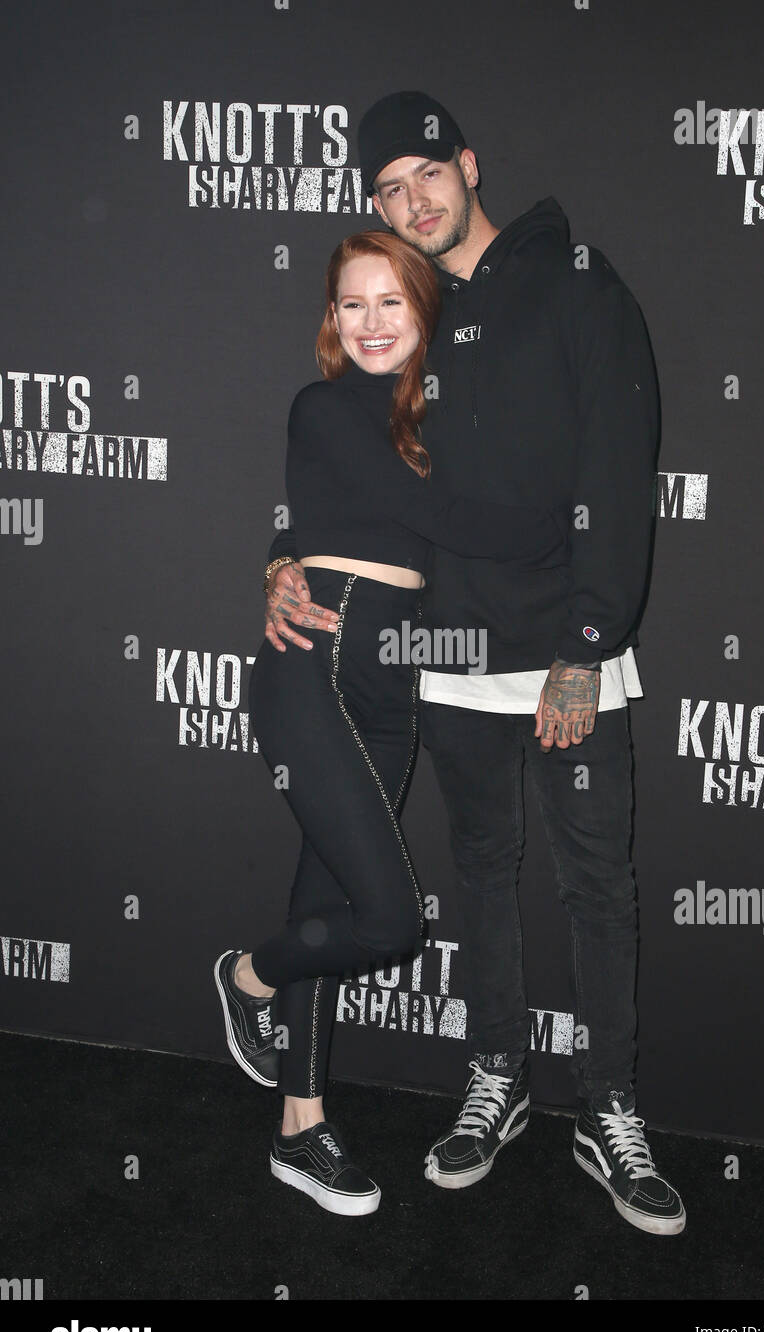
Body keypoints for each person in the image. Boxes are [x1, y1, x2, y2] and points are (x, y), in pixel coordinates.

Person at [263, 92, 686, 1236]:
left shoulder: (580, 286)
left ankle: (611, 1111)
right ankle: (491, 1080)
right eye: (389, 191)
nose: (413, 202)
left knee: (597, 885)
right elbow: (343, 458)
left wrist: (584, 647)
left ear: (467, 164)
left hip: (566, 653)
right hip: (443, 655)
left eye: (426, 175)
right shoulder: (415, 313)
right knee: (483, 878)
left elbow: (618, 464)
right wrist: (278, 558)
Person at [214, 229, 565, 1216]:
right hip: (316, 655)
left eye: (390, 302)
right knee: (389, 917)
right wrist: (554, 517)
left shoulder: (444, 421)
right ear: (329, 319)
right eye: (349, 304)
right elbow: (434, 514)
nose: (368, 323)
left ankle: (299, 1129)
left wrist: (279, 549)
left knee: (325, 894)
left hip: (393, 677)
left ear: (424, 311)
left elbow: (413, 512)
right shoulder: (322, 405)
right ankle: (244, 978)